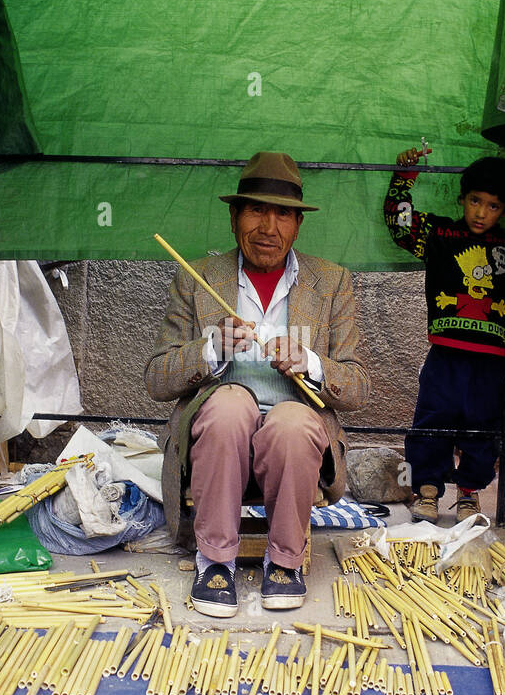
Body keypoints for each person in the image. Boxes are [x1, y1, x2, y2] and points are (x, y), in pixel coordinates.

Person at [145, 151, 370, 618]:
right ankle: (215, 561)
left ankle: (284, 562)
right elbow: (156, 378)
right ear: (233, 217)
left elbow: (357, 389)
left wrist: (309, 361)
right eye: (256, 210)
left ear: (298, 224)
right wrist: (211, 349)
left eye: (283, 213)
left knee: (290, 420)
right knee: (230, 404)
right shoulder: (198, 279)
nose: (269, 226)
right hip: (217, 444)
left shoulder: (330, 283)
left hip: (293, 447)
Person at [383, 151, 505, 523]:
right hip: (446, 355)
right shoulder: (439, 235)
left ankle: (469, 494)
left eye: (493, 205)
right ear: (461, 199)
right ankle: (426, 493)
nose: (481, 213)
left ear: (504, 210)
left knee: (483, 425)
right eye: (474, 201)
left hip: (492, 361)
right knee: (432, 420)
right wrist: (404, 175)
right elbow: (400, 226)